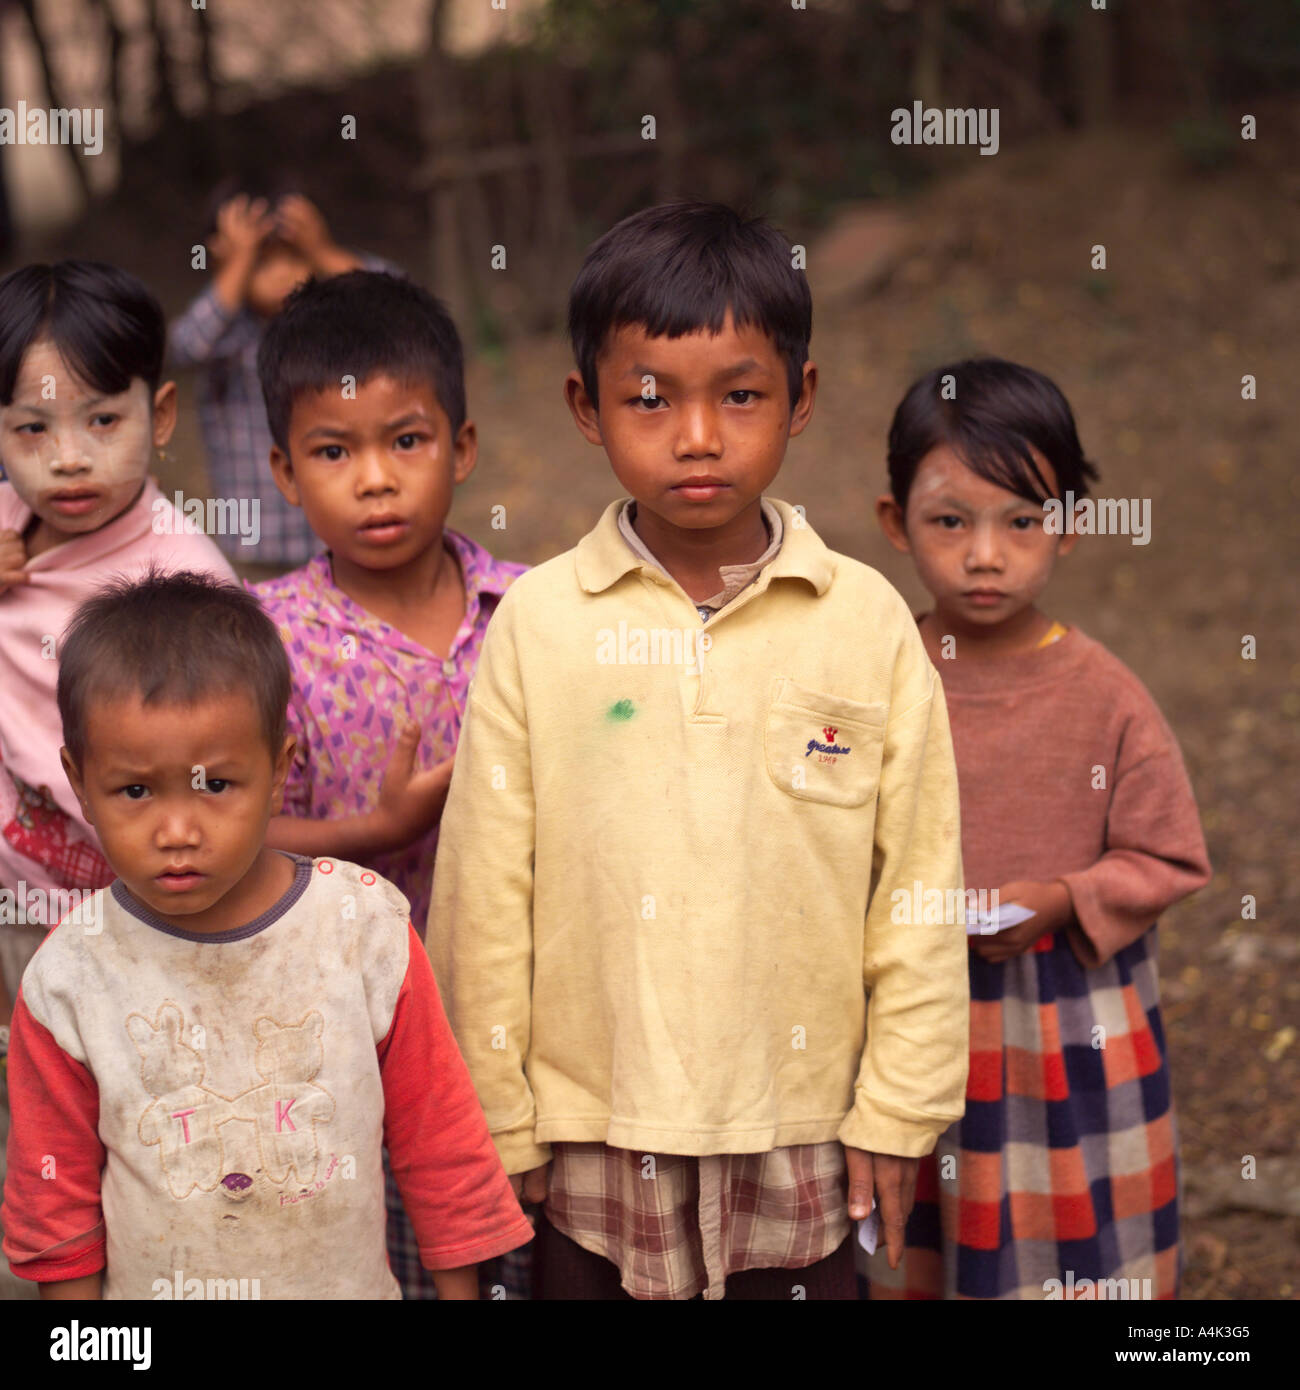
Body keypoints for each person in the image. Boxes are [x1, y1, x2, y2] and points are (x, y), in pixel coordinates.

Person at [426, 201, 971, 1300]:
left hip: (804, 1126)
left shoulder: (860, 621)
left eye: (739, 395)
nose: (696, 437)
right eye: (649, 399)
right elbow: (485, 888)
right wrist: (498, 1115)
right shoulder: (541, 624)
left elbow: (914, 882)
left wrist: (901, 1104)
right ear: (588, 406)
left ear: (800, 397)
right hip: (591, 1128)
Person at [0, 570, 533, 1299]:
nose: (178, 831)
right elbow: (53, 1210)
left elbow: (440, 1148)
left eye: (216, 784)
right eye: (134, 791)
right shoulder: (70, 978)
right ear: (78, 780)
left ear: (280, 771)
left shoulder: (361, 932)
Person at [867, 357, 1212, 1299]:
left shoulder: (1106, 695)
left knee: (1066, 1239)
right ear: (897, 524)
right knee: (920, 1234)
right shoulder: (882, 676)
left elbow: (1170, 855)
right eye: (951, 521)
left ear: (1068, 528)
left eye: (1022, 521)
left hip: (1065, 1031)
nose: (986, 554)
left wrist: (1066, 897)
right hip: (911, 1015)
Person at [248, 269, 526, 1297]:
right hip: (348, 1040)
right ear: (283, 469)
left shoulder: (529, 616)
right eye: (333, 450)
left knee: (518, 1249)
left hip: (520, 1021)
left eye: (404, 442)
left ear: (460, 446)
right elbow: (237, 841)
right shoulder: (268, 644)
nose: (374, 478)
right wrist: (377, 827)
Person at [0, 260, 233, 1047]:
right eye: (32, 428)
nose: (67, 457)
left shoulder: (186, 584)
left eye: (103, 421)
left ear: (160, 414)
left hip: (138, 927)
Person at [169, 178, 390, 574]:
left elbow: (396, 302)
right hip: (256, 544)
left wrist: (322, 250)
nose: (282, 275)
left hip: (335, 532)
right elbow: (186, 346)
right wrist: (236, 263)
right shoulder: (229, 333)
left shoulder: (335, 321)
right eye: (262, 264)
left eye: (294, 257)